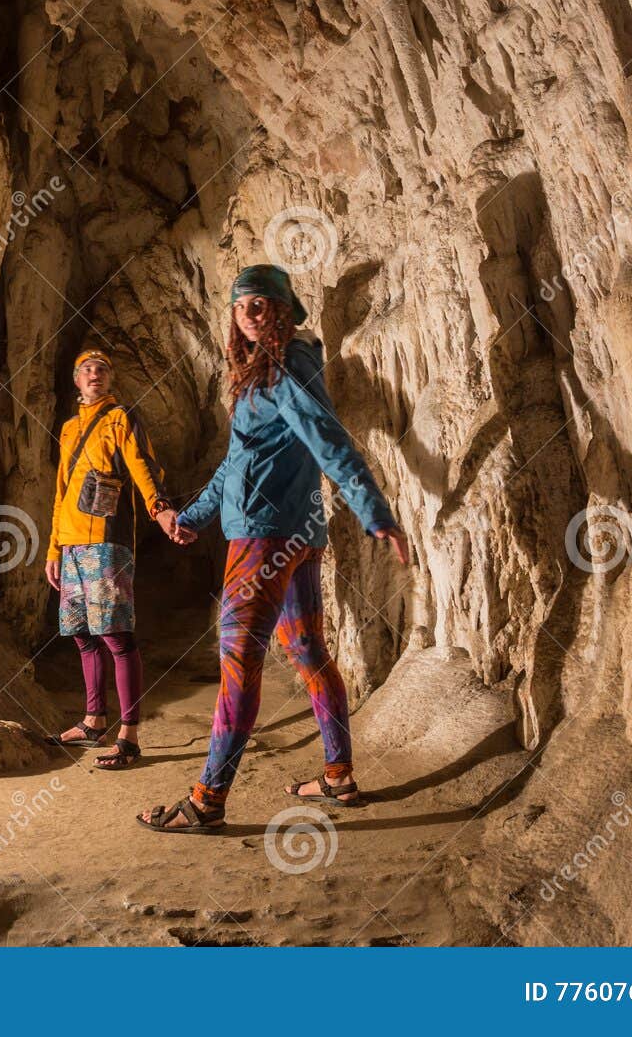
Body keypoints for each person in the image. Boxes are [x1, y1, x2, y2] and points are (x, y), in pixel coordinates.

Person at [138, 264, 409, 833]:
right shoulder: (262, 375)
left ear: (283, 309)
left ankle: (208, 801)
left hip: (265, 539)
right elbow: (238, 463)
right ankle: (338, 776)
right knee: (309, 650)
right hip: (288, 536)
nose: (248, 315)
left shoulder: (288, 365)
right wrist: (191, 518)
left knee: (238, 661)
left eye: (260, 304)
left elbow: (329, 437)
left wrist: (372, 509)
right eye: (240, 307)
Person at [44, 347, 182, 770]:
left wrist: (159, 509)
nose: (94, 374)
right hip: (71, 545)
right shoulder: (69, 429)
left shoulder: (121, 418)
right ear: (76, 379)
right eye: (86, 368)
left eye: (102, 369)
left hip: (106, 540)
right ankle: (92, 721)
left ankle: (129, 736)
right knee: (83, 635)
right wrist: (54, 547)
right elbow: (62, 489)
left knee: (116, 636)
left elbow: (143, 466)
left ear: (110, 378)